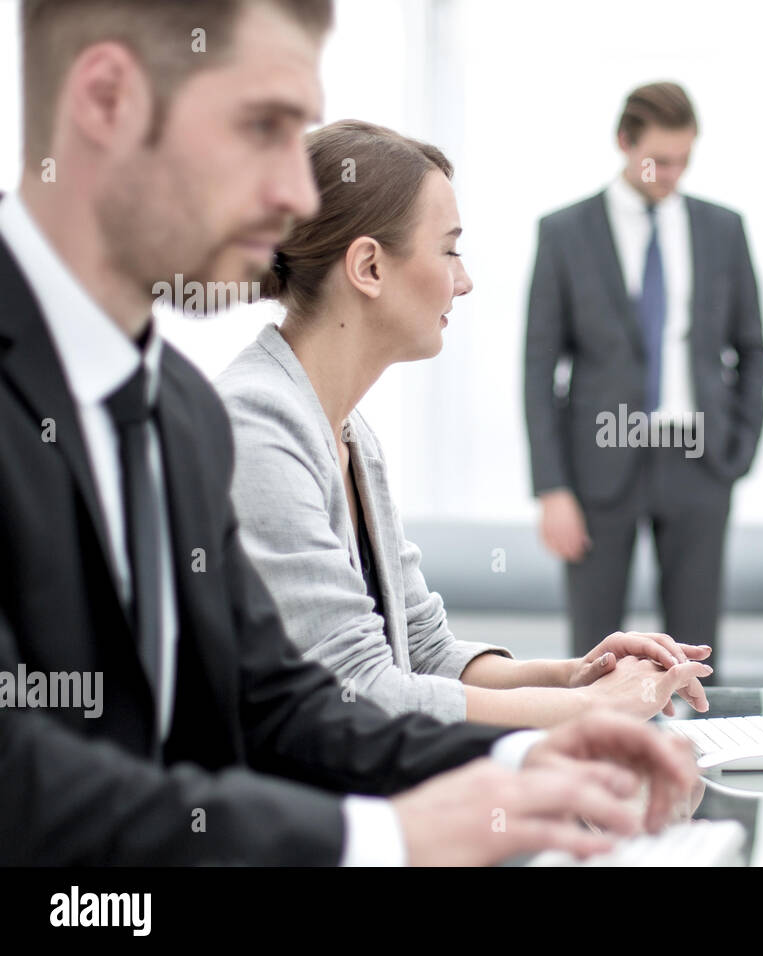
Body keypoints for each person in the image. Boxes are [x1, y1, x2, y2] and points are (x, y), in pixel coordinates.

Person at [0, 0, 695, 866]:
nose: (295, 193)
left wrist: (534, 757)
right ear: (106, 101)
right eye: (264, 127)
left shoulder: (177, 408)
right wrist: (386, 836)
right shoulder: (235, 417)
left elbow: (286, 704)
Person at [216, 120, 713, 728]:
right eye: (448, 249)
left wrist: (576, 674)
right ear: (368, 266)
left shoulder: (348, 433)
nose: (465, 280)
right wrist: (584, 708)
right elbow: (359, 690)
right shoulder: (256, 429)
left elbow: (420, 651)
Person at [524, 82, 763, 682]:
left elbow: (753, 348)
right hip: (598, 463)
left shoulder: (722, 229)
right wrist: (551, 488)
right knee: (595, 654)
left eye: (685, 159)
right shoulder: (564, 233)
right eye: (661, 159)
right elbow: (537, 366)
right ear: (624, 143)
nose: (672, 174)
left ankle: (698, 770)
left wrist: (737, 451)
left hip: (698, 458)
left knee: (696, 658)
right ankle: (592, 769)